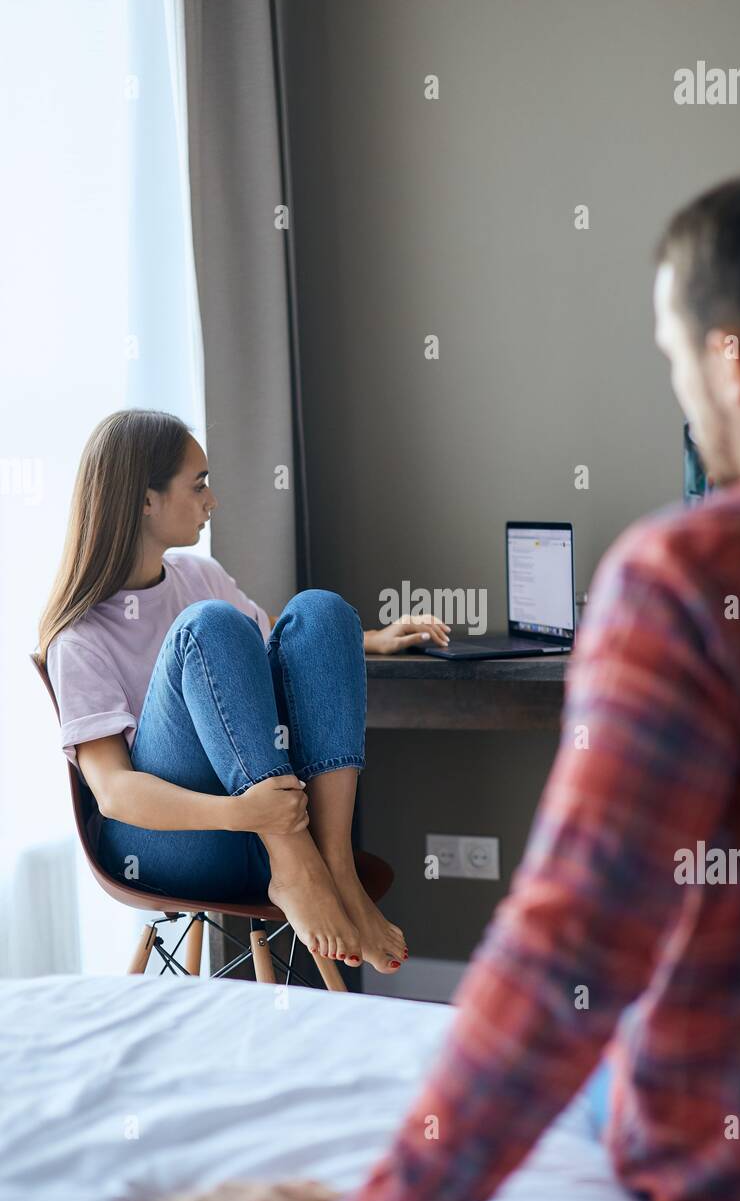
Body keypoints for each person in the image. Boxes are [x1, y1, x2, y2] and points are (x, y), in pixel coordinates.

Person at [149, 164, 740, 1201]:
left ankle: (312, 862)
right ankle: (309, 858)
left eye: (676, 362)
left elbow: (569, 948)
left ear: (733, 364)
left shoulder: (693, 577)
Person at [39, 411, 449, 971]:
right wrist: (244, 813)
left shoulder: (196, 574)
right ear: (145, 500)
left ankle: (333, 866)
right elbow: (113, 793)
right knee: (208, 627)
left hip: (262, 830)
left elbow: (281, 635)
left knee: (322, 611)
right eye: (199, 483)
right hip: (168, 844)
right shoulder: (80, 637)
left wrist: (370, 637)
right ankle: (297, 866)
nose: (213, 500)